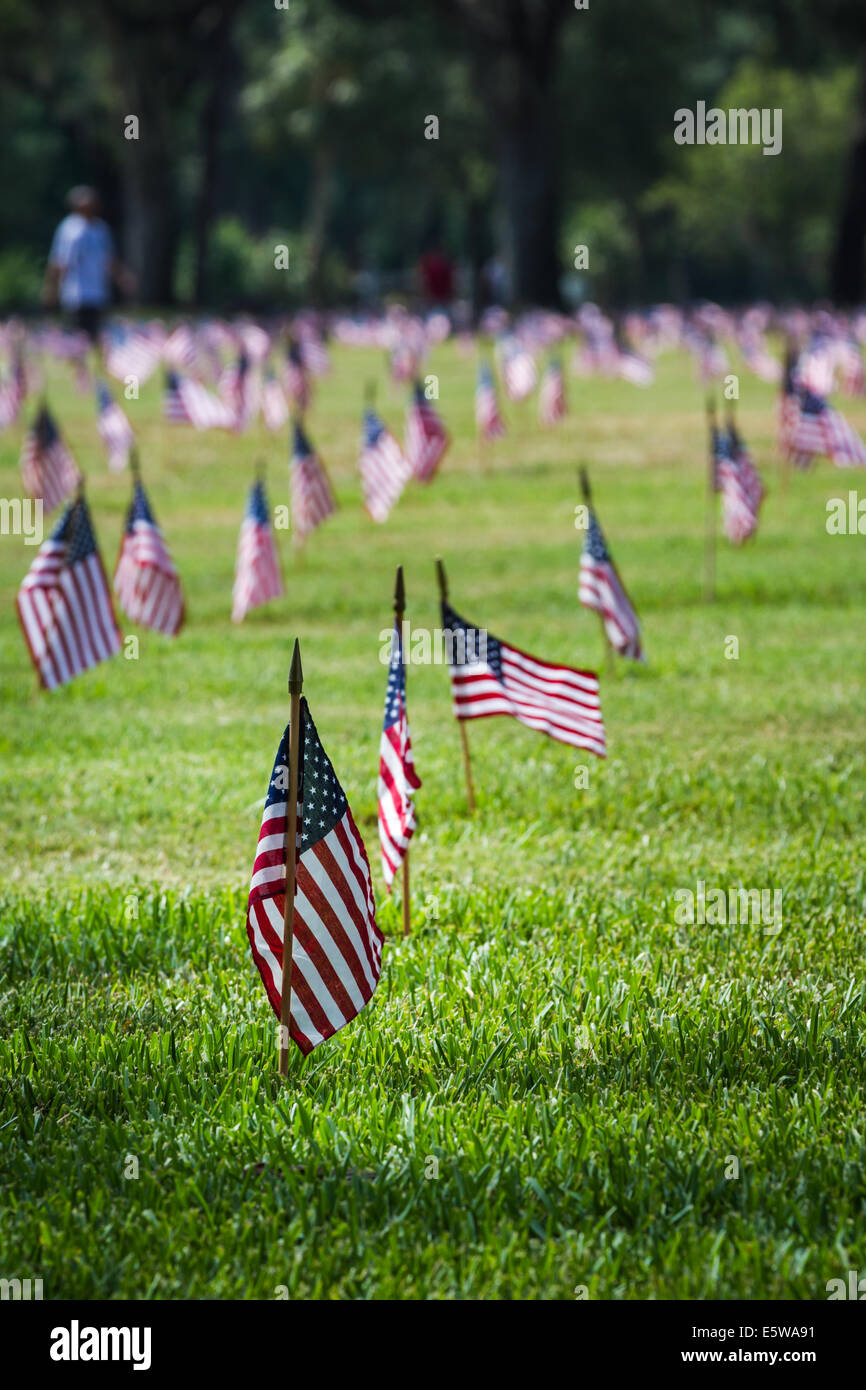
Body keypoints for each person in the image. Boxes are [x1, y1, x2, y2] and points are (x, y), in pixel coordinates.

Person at [42, 186, 135, 342]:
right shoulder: (68, 228)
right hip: (75, 293)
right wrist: (52, 287)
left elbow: (109, 259)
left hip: (98, 292)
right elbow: (58, 261)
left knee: (96, 337)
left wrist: (122, 278)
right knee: (77, 338)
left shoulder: (101, 229)